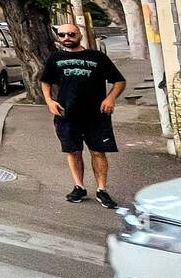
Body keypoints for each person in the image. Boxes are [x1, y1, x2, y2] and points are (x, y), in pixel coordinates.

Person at [40, 21, 126, 209]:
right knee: (73, 151)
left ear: (79, 35)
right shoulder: (55, 58)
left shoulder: (97, 57)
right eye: (62, 35)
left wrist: (110, 98)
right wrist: (49, 101)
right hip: (66, 114)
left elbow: (119, 81)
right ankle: (79, 186)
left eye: (71, 34)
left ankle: (102, 190)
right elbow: (45, 81)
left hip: (96, 115)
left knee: (98, 151)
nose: (67, 38)